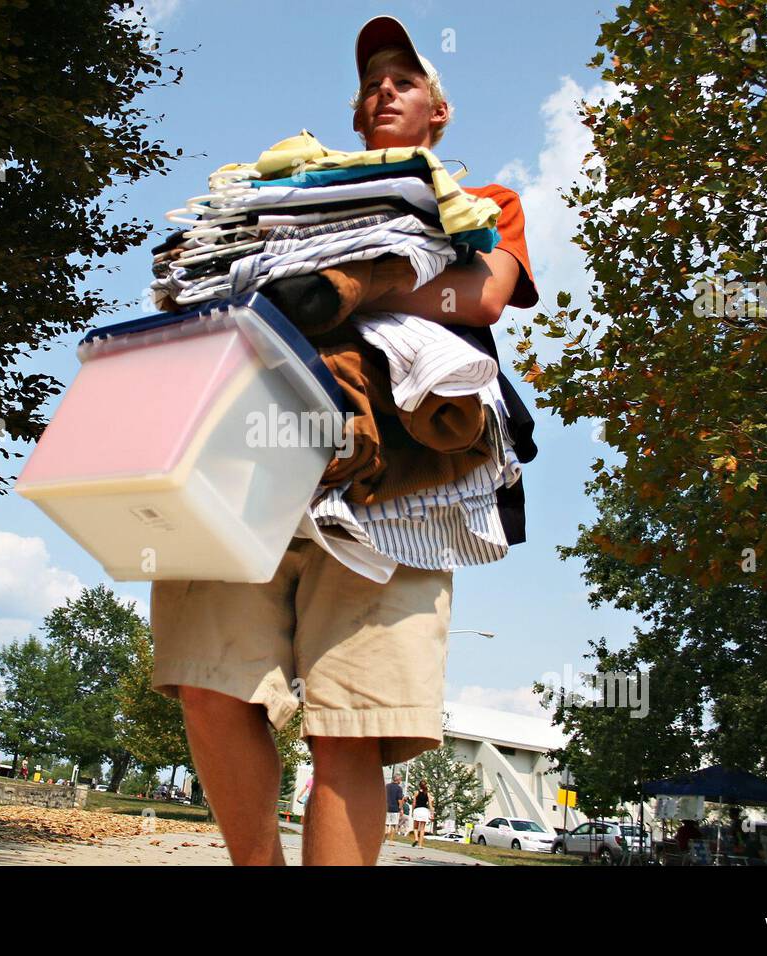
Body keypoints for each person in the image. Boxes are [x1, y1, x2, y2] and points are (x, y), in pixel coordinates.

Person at [147, 14, 539, 867]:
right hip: (254, 455)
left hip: (401, 484)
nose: (385, 90)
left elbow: (483, 297)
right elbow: (196, 281)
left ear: (439, 113)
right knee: (210, 686)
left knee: (352, 725)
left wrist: (354, 286)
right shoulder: (288, 195)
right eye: (372, 84)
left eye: (405, 80)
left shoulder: (487, 202)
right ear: (356, 116)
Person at [410, 780, 434, 848]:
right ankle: (420, 845)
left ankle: (416, 838)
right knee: (422, 829)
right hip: (424, 811)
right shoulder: (428, 794)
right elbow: (430, 805)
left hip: (417, 810)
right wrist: (432, 813)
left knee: (415, 827)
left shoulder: (416, 793)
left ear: (419, 785)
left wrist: (412, 811)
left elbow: (414, 803)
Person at [384, 773, 404, 843]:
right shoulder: (399, 788)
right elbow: (399, 800)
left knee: (386, 823)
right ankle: (391, 841)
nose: (401, 781)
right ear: (398, 780)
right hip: (395, 809)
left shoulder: (387, 786)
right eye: (400, 779)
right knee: (393, 825)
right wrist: (401, 809)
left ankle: (385, 832)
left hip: (386, 807)